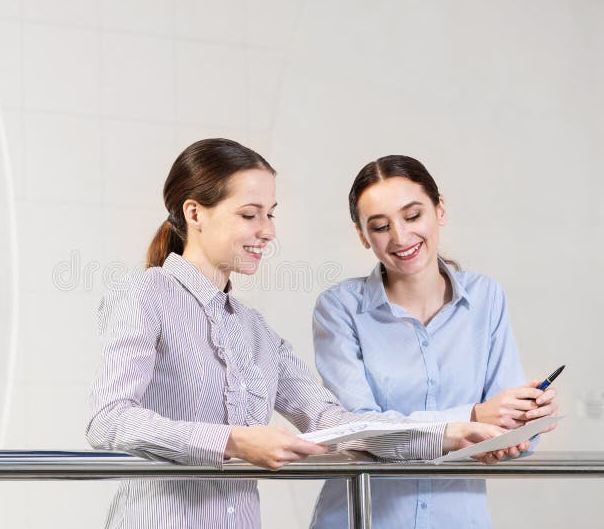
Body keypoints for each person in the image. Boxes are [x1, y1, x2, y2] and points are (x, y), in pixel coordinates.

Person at [86, 140, 524, 529]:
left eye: (270, 214)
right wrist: (233, 441)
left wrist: (450, 433)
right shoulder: (145, 294)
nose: (268, 231)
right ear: (195, 213)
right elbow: (109, 419)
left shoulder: (255, 330)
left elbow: (336, 423)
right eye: (249, 214)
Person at [310, 155, 558, 529]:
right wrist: (472, 417)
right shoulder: (340, 307)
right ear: (363, 236)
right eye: (380, 226)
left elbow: (503, 428)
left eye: (413, 216)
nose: (400, 237)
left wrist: (524, 419)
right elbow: (359, 430)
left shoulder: (486, 297)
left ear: (439, 210)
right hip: (364, 518)